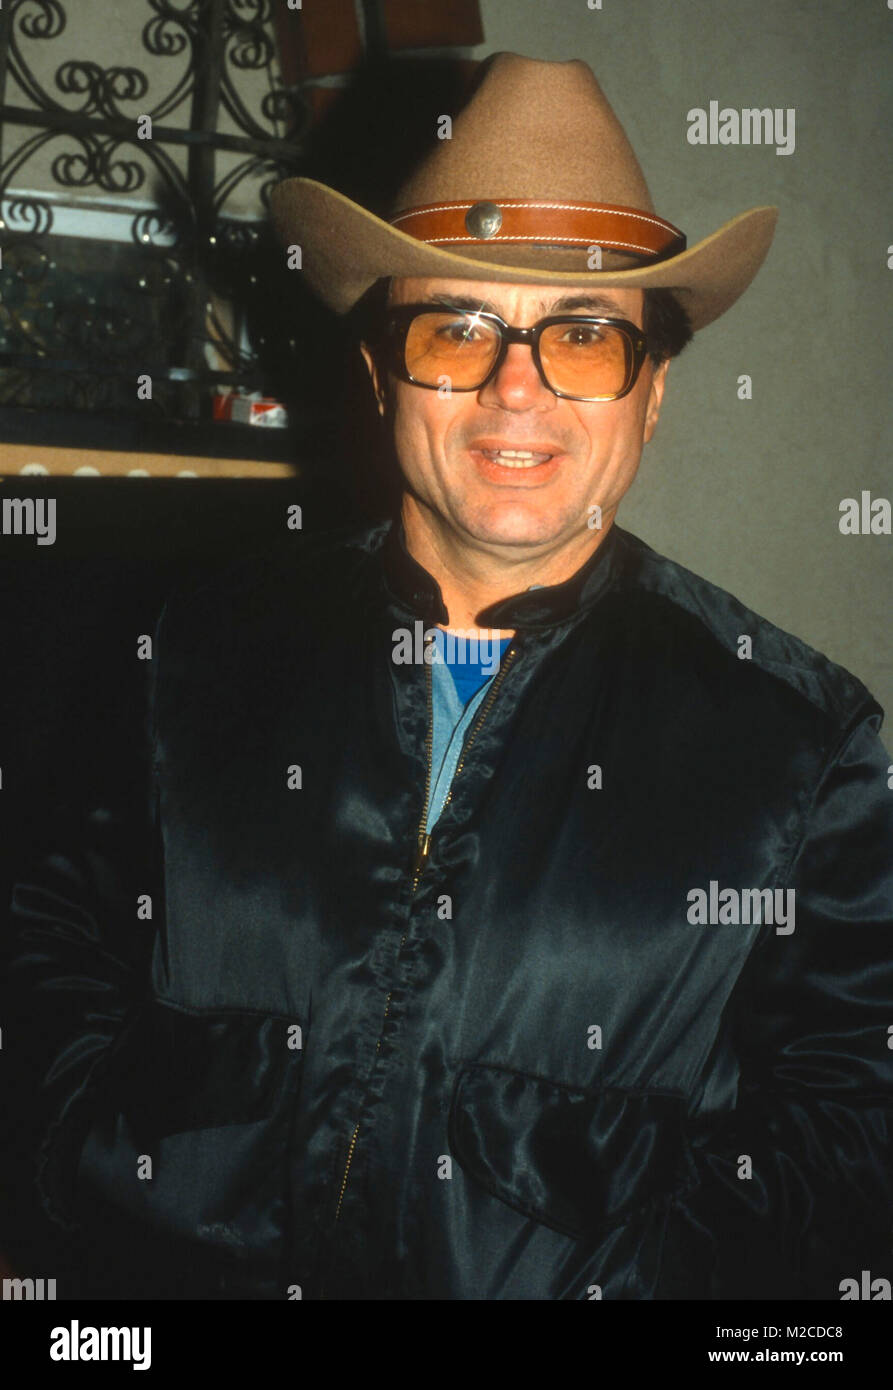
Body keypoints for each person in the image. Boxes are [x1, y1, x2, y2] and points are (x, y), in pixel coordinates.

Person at [2, 52, 891, 1302]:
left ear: (651, 396)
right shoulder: (189, 651)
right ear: (378, 372)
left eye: (581, 336)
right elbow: (46, 939)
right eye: (456, 329)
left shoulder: (799, 739)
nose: (513, 387)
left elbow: (853, 1118)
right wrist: (81, 1180)